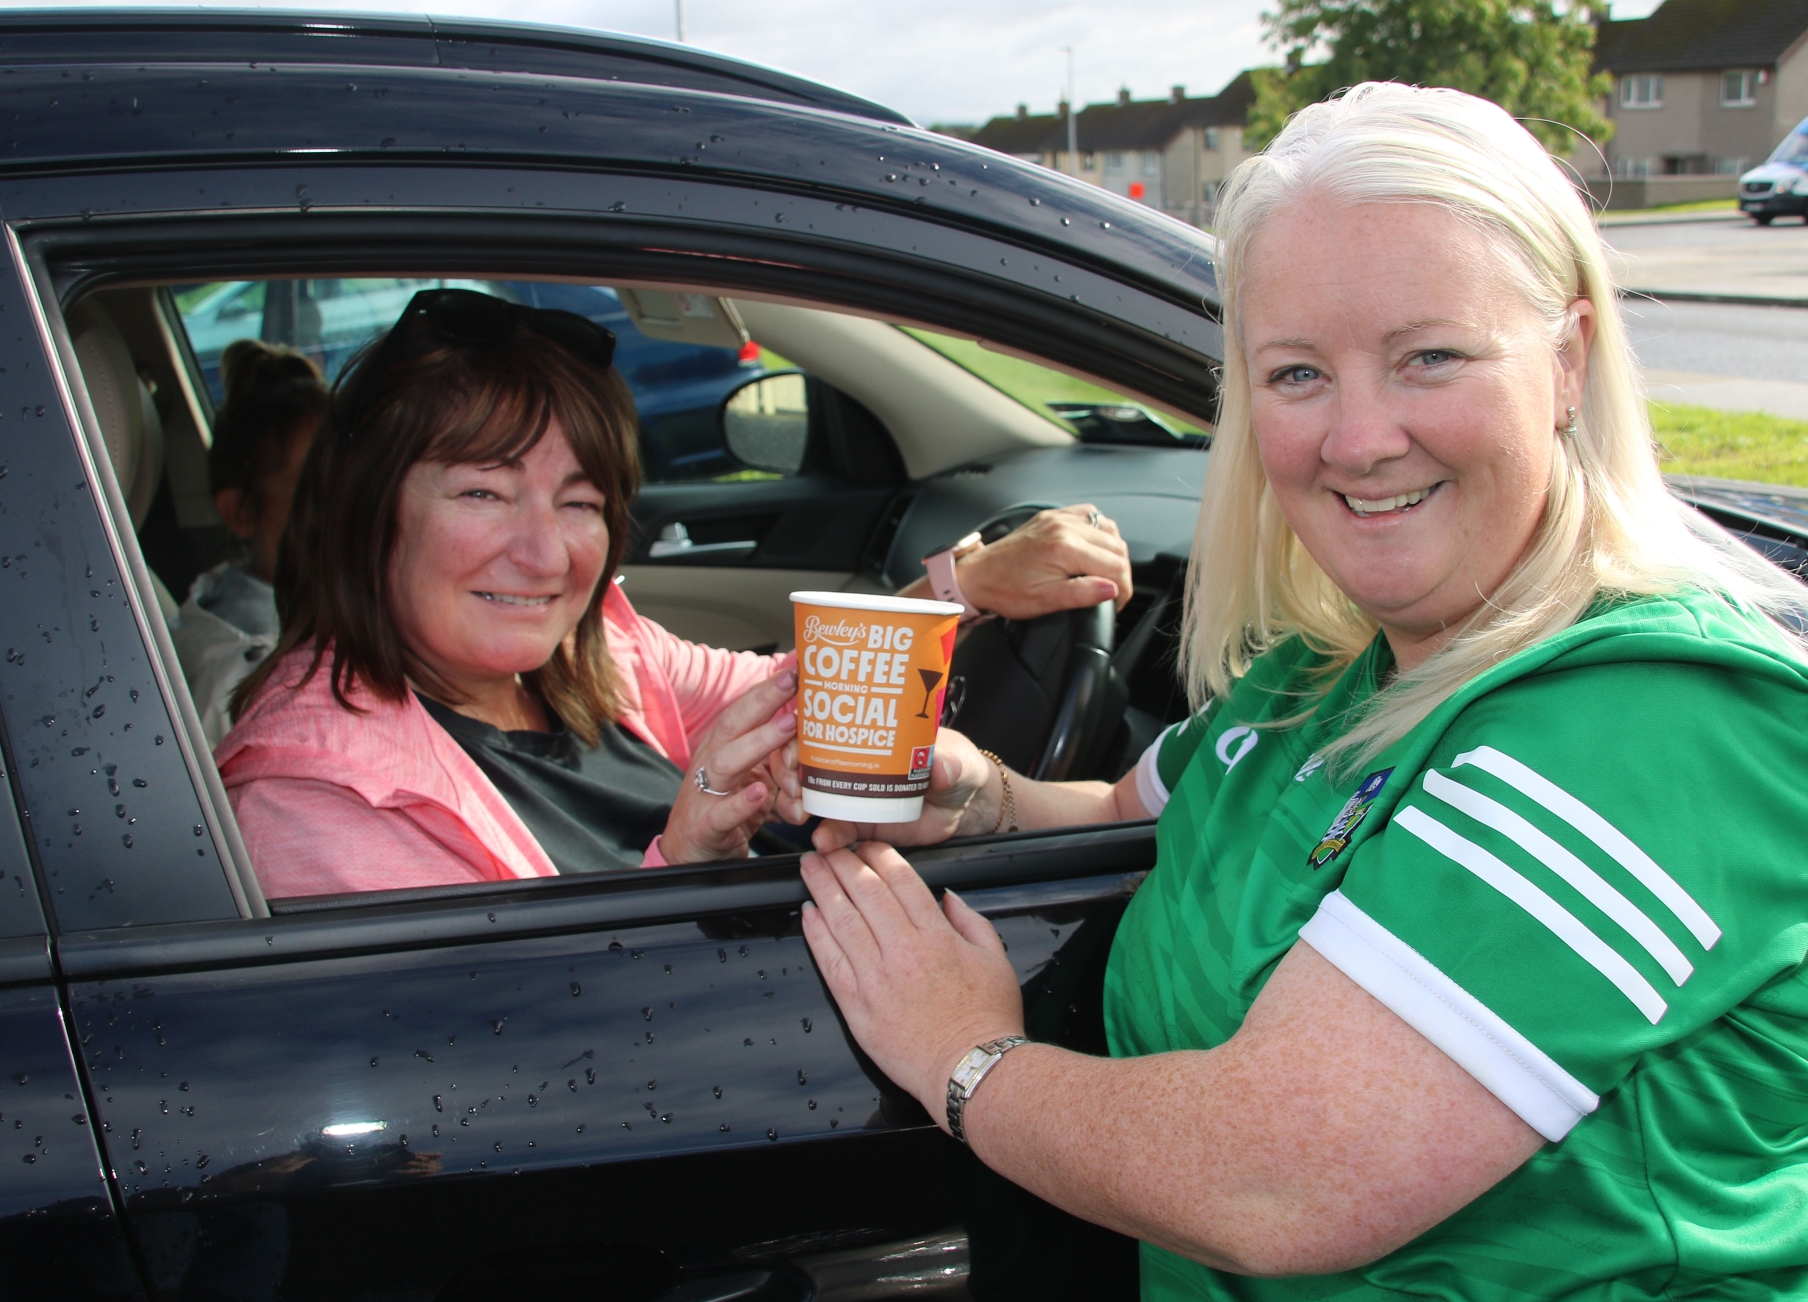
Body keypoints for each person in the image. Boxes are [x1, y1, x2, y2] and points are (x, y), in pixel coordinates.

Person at [793, 83, 1808, 1302]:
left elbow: (1277, 1175)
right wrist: (977, 799)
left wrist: (966, 1060)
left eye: (1430, 356)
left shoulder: (1659, 714)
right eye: (1299, 374)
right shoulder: (1320, 680)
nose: (1358, 438)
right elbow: (1125, 809)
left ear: (1566, 357)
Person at [216, 287, 1133, 899]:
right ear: (369, 511)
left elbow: (796, 692)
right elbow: (496, 1072)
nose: (545, 555)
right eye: (482, 492)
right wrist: (684, 863)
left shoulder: (596, 655)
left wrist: (961, 583)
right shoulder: (318, 796)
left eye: (580, 501)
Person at [170, 339, 327, 741]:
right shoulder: (237, 685)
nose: (347, 510)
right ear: (239, 512)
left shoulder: (326, 612)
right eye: (311, 494)